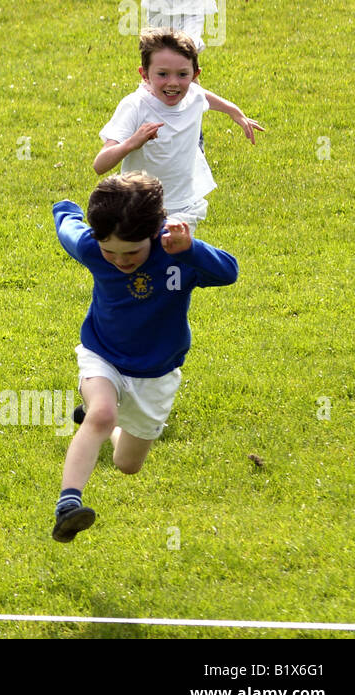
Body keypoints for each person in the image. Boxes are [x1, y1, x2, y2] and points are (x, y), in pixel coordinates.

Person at [51, 173, 238, 542]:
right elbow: (67, 226)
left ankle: (103, 422)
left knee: (127, 465)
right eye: (111, 252)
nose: (120, 260)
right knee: (103, 413)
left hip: (156, 373)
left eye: (131, 252)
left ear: (155, 232)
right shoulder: (91, 247)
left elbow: (228, 272)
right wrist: (66, 210)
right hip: (102, 354)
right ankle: (67, 505)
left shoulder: (177, 252)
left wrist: (190, 248)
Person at [93, 28, 262, 231]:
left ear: (195, 75)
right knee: (146, 261)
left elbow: (204, 96)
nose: (173, 83)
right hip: (140, 207)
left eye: (182, 74)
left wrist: (235, 113)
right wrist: (132, 143)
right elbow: (100, 165)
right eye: (162, 74)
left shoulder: (193, 95)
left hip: (185, 206)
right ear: (144, 74)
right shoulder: (135, 106)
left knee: (173, 258)